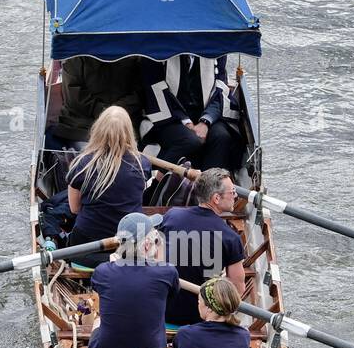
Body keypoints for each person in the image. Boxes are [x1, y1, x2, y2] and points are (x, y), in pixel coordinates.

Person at [85, 212, 179, 348]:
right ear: (147, 245)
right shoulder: (167, 272)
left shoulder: (102, 271)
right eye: (154, 238)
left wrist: (115, 263)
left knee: (98, 319)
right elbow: (170, 297)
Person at [160, 167, 245, 325]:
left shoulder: (172, 215)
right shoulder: (230, 238)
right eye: (232, 192)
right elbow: (237, 290)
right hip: (199, 317)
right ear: (216, 199)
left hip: (162, 309)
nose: (236, 196)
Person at [66, 105, 151, 264]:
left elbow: (74, 208)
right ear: (128, 133)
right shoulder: (143, 164)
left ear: (98, 130)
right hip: (130, 241)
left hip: (88, 242)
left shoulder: (81, 165)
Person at [140, 54, 245, 174]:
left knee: (221, 136)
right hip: (169, 116)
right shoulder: (158, 51)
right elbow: (155, 90)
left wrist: (206, 121)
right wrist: (186, 121)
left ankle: (210, 184)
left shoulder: (215, 48)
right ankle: (159, 180)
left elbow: (220, 89)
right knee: (190, 140)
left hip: (205, 113)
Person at [53, 55, 143, 145]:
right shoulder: (76, 54)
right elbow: (74, 95)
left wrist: (112, 113)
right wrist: (109, 112)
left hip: (123, 126)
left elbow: (139, 93)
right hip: (82, 127)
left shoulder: (134, 54)